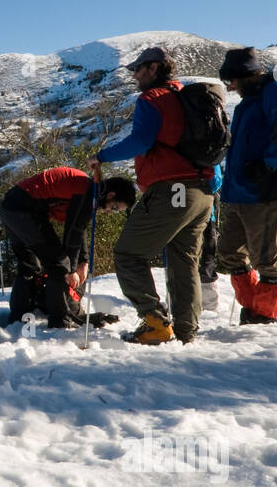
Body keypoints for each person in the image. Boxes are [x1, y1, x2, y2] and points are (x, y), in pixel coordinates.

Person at [88, 46, 217, 345]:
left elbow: (141, 141)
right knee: (184, 262)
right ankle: (186, 332)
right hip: (202, 193)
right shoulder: (189, 98)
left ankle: (155, 321)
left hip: (172, 191)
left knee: (128, 254)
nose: (134, 74)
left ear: (154, 68)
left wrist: (101, 156)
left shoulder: (152, 99)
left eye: (138, 69)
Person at [215, 46, 277, 324]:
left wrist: (269, 165)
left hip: (263, 190)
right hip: (238, 191)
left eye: (233, 81)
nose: (231, 88)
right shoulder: (252, 98)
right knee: (229, 253)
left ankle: (264, 315)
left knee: (267, 260)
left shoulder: (274, 90)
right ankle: (253, 305)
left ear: (246, 75)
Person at [0, 168, 136, 328]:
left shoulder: (88, 187)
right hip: (25, 212)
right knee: (59, 265)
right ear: (111, 195)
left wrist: (83, 262)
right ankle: (61, 321)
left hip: (10, 208)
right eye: (114, 207)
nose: (109, 212)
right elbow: (73, 234)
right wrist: (70, 269)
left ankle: (20, 316)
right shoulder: (87, 193)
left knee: (30, 264)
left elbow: (80, 228)